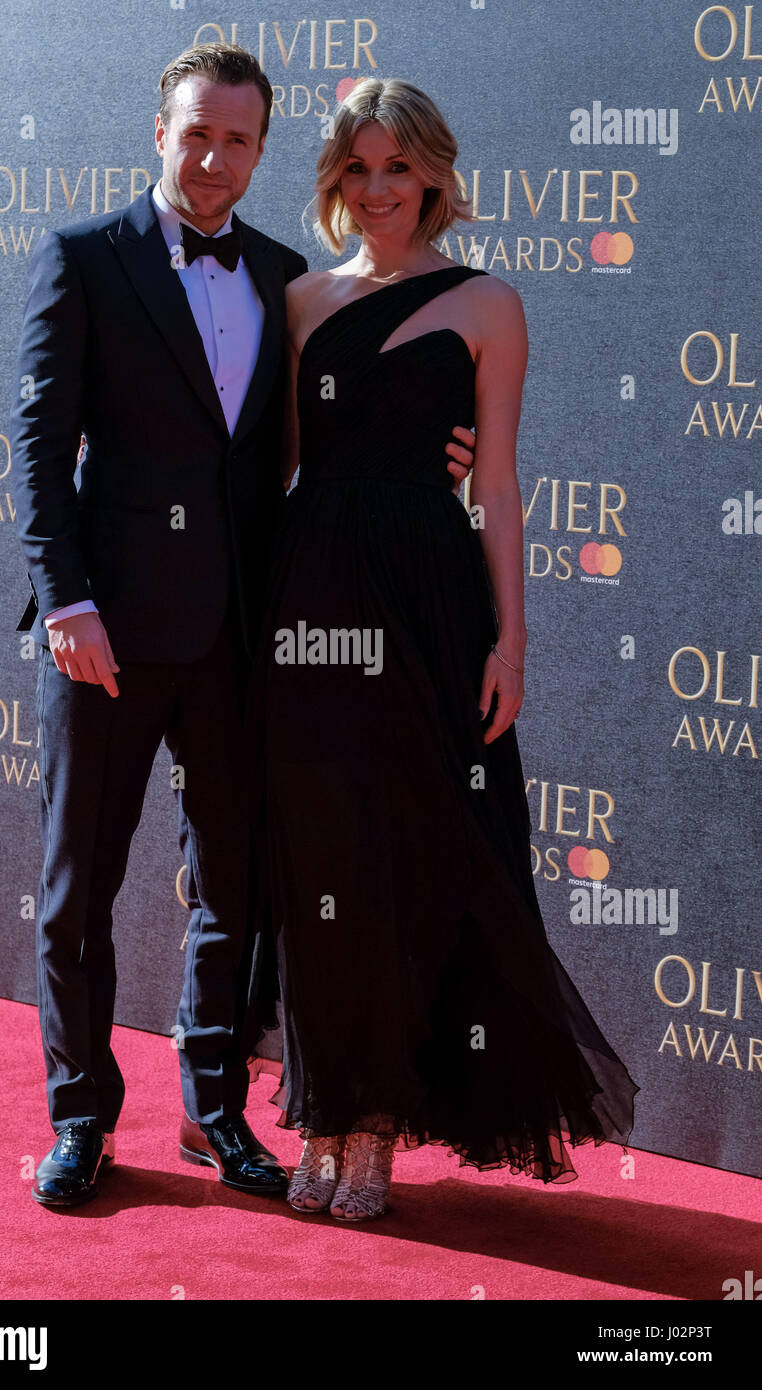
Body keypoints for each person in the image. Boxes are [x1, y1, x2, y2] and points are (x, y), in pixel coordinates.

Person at [9, 43, 477, 1207]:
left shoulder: (281, 278)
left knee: (235, 890)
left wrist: (435, 449)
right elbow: (37, 443)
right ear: (157, 132)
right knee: (79, 890)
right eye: (196, 134)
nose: (214, 158)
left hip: (241, 633)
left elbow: (334, 426)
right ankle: (80, 1118)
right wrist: (65, 598)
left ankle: (212, 1114)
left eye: (238, 140)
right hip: (106, 633)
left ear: (264, 152)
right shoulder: (83, 259)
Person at [247, 76, 640, 1221]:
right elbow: (276, 470)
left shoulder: (487, 304)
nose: (378, 191)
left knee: (406, 854)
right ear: (334, 180)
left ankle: (373, 1127)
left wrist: (512, 637)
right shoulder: (303, 300)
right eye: (356, 169)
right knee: (318, 860)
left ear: (433, 176)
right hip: (311, 593)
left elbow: (501, 485)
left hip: (427, 595)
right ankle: (318, 1113)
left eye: (398, 169)